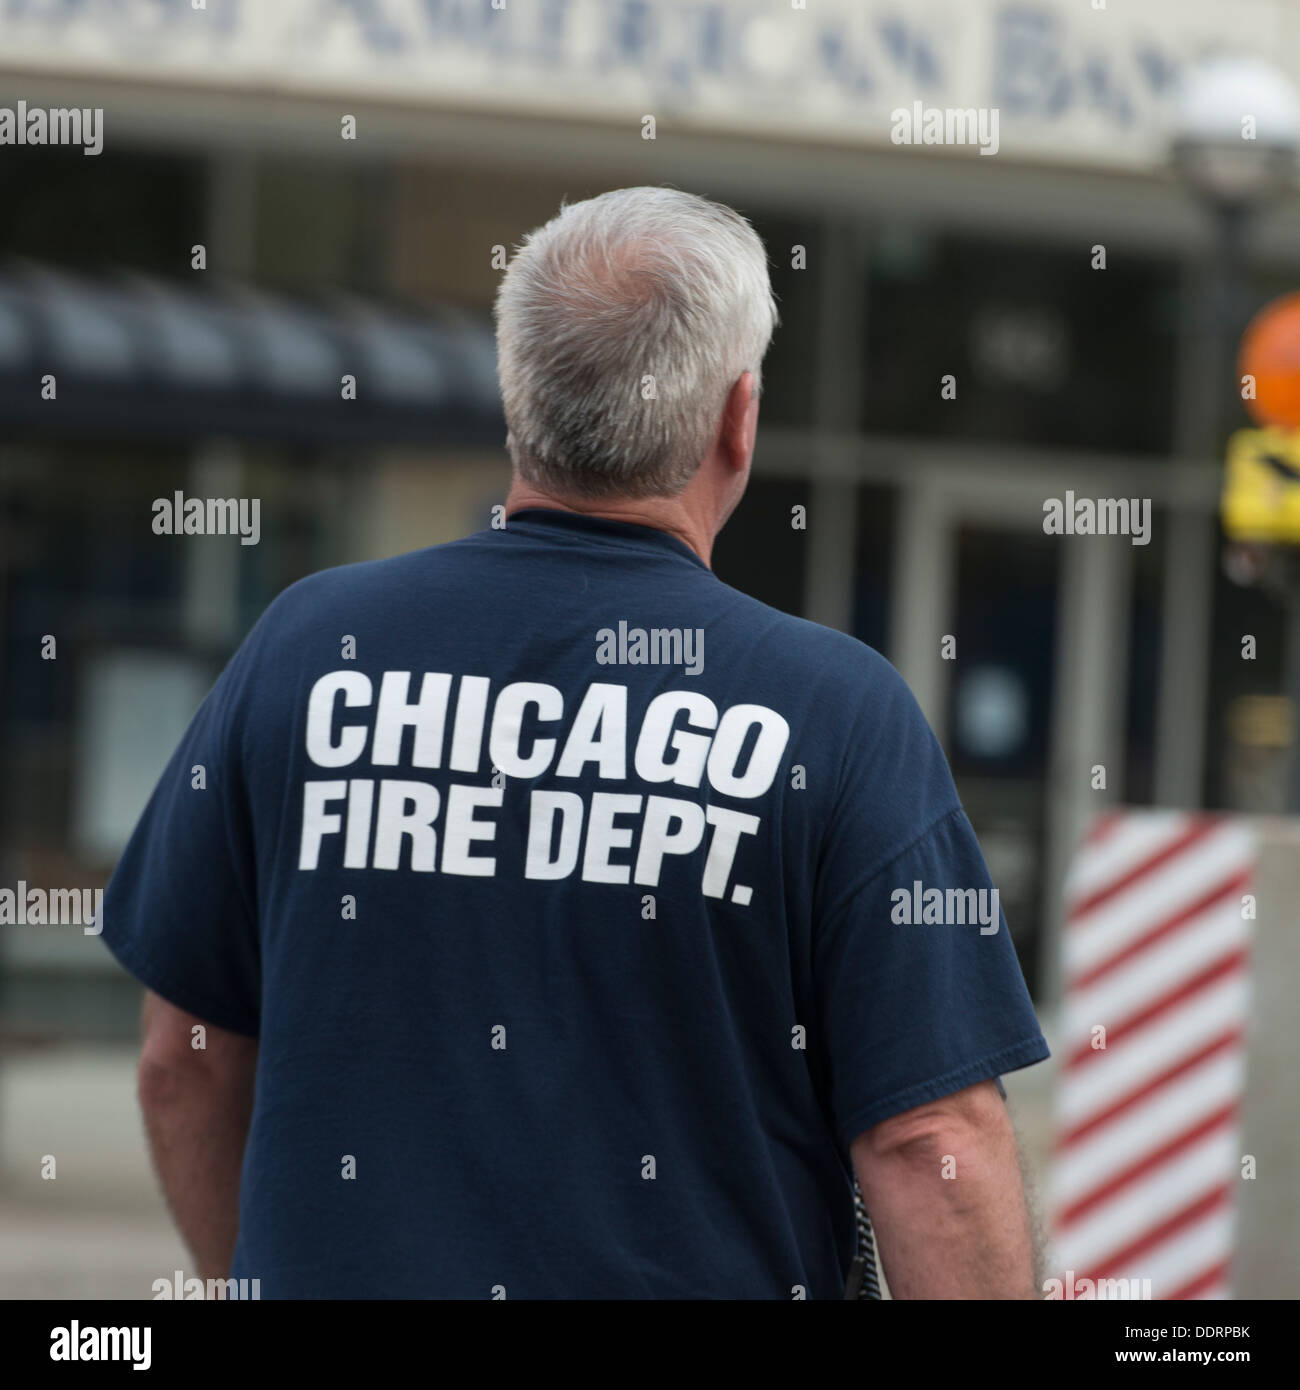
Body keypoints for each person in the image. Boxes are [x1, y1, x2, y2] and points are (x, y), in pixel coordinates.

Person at [104, 186, 1049, 1299]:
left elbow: (183, 1063)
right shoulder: (833, 713)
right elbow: (928, 1142)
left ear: (519, 398)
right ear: (737, 417)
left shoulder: (310, 648)